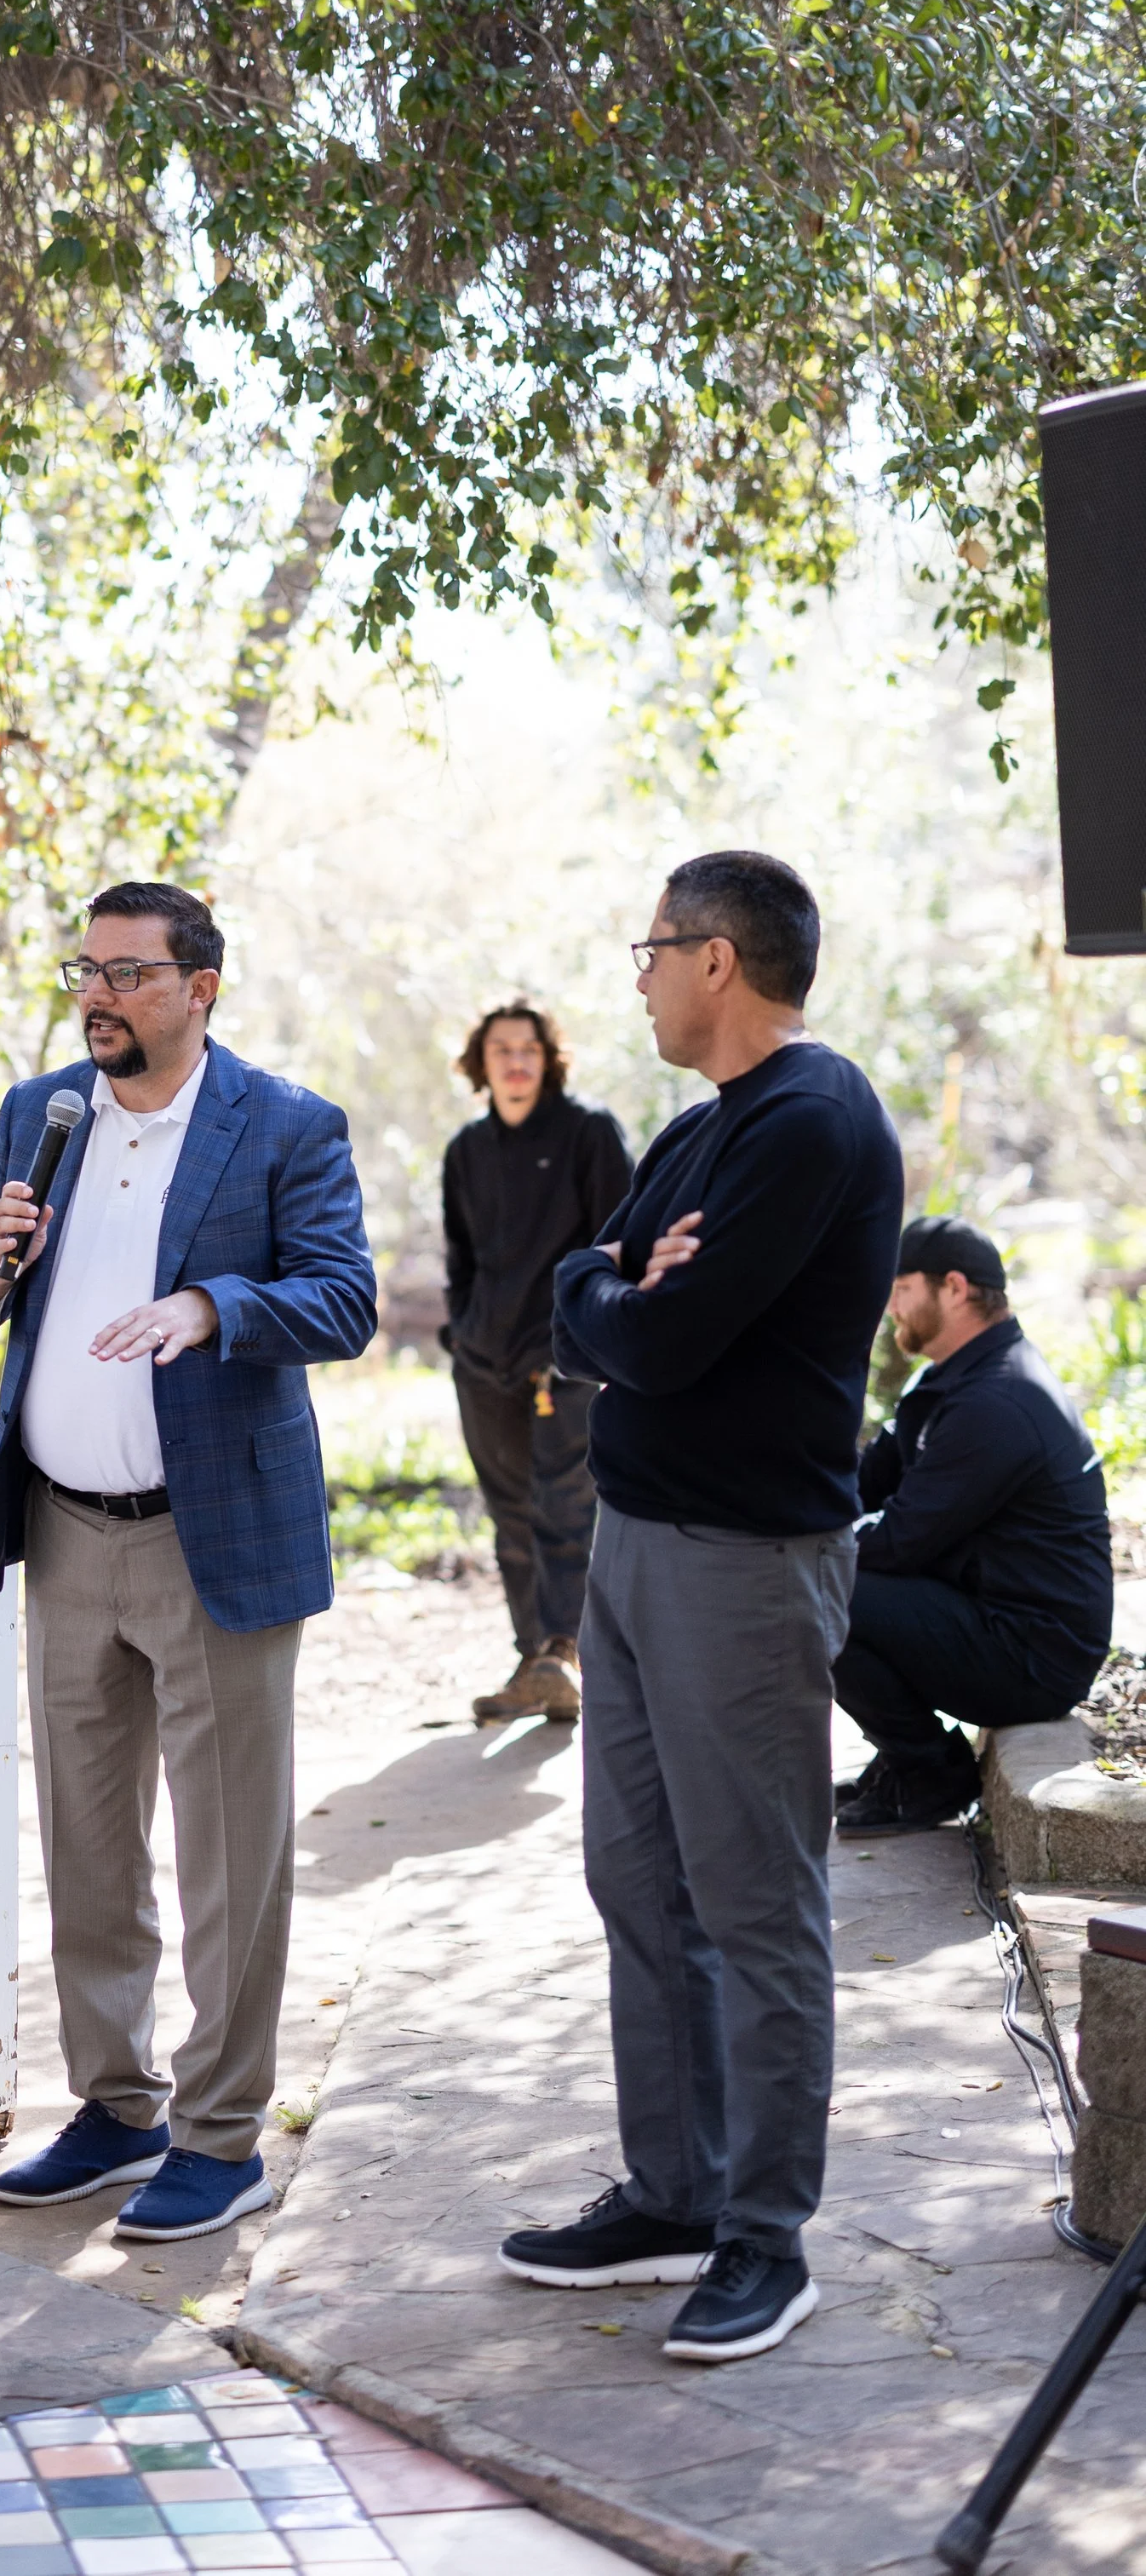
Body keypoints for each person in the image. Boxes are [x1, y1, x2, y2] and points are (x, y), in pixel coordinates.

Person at [498, 850, 902, 2365]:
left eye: (654, 950)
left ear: (716, 958)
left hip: (743, 1562)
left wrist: (616, 1296)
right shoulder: (698, 1127)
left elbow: (657, 1344)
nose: (644, 977)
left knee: (753, 1903)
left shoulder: (811, 1119)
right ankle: (675, 2192)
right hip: (633, 1548)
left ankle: (764, 2238)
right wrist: (615, 1281)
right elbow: (579, 1297)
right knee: (639, 1881)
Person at [0, 881, 377, 2245]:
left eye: (128, 972)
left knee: (229, 1856)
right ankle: (115, 2107)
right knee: (86, 1847)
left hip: (212, 1538)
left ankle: (222, 2135)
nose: (98, 993)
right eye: (87, 968)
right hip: (64, 1530)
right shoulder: (43, 1112)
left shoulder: (285, 1124)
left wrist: (209, 1305)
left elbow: (345, 1297)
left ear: (201, 986)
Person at [834, 1214, 1112, 1835]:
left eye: (902, 1289)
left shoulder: (999, 1400)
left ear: (954, 1288)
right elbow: (865, 1483)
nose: (890, 1308)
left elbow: (900, 1541)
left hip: (1033, 1657)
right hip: (989, 1616)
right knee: (824, 1572)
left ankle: (931, 1773)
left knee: (825, 1590)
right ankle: (905, 1759)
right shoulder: (952, 1379)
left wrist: (807, 1547)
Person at [441, 1001, 631, 1726]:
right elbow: (461, 1258)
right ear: (481, 1064)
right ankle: (536, 1663)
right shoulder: (467, 1150)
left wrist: (595, 1337)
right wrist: (463, 1335)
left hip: (566, 1359)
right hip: (482, 1364)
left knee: (567, 1508)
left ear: (549, 1059)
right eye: (502, 1050)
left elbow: (623, 1240)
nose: (516, 1061)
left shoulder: (589, 1132)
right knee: (510, 1513)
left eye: (529, 1049)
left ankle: (564, 1652)